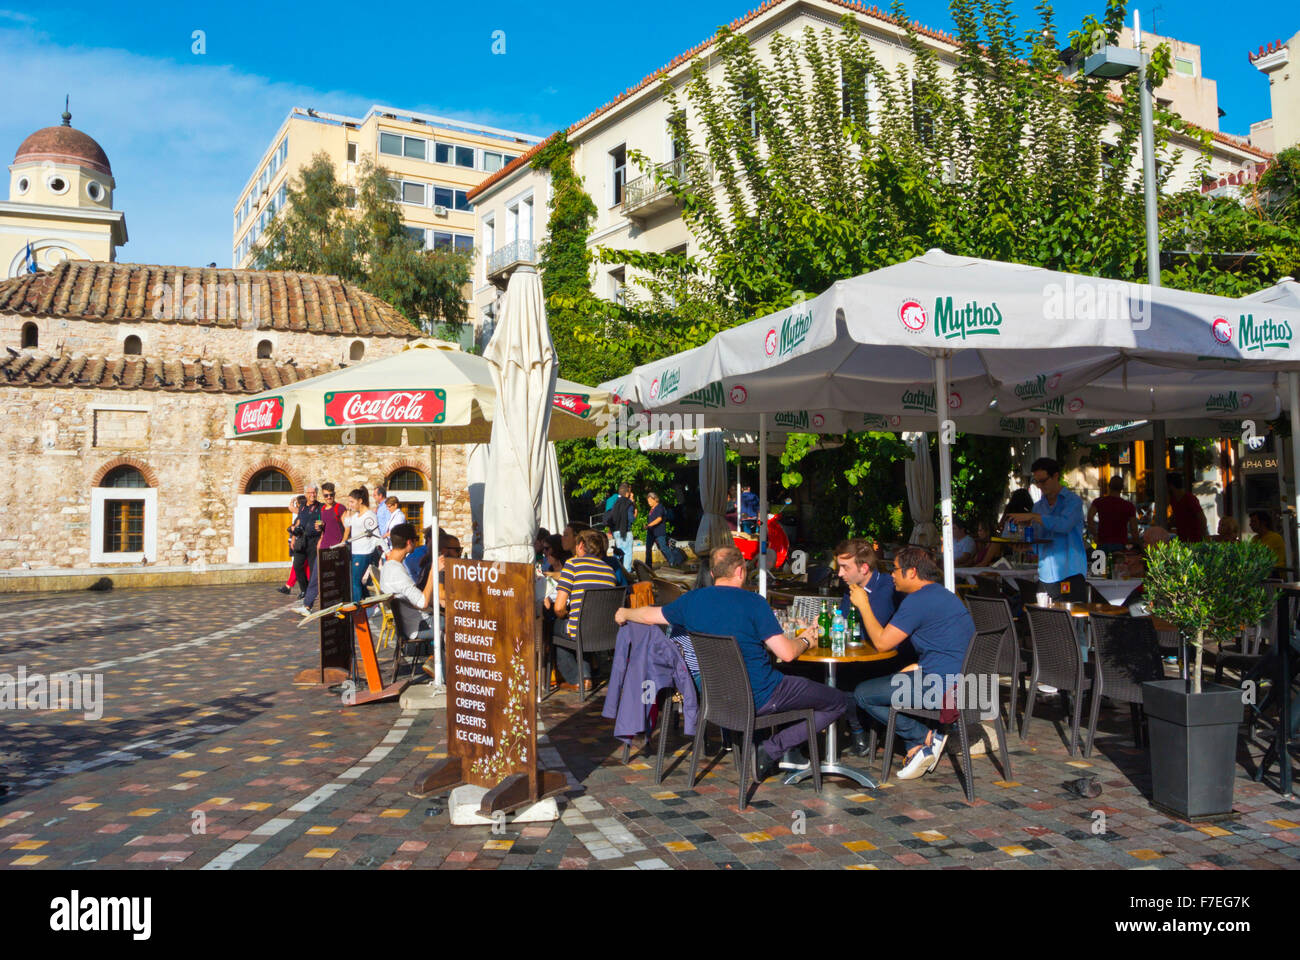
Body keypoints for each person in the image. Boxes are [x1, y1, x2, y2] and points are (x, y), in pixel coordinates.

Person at [617, 545, 848, 779]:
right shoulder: (754, 603)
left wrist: (625, 613)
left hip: (715, 697)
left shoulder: (691, 601)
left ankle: (784, 752)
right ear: (740, 571)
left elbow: (648, 615)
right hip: (762, 695)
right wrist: (806, 640)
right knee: (837, 701)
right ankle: (772, 749)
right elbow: (787, 653)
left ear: (714, 573)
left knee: (789, 681)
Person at [852, 546, 975, 780]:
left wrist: (864, 604)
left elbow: (881, 643)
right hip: (969, 685)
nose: (892, 575)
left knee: (863, 693)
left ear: (912, 572)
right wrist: (921, 666)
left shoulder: (916, 601)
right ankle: (919, 743)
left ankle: (923, 737)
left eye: (896, 569)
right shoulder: (944, 594)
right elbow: (950, 644)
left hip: (945, 690)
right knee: (895, 677)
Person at [545, 529, 620, 692]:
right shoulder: (609, 570)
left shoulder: (572, 564)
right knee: (579, 625)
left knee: (558, 626)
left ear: (580, 546)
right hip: (606, 634)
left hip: (581, 631)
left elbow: (558, 607)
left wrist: (564, 614)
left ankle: (577, 679)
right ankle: (585, 677)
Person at [1005, 457, 1087, 601]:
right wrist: (1024, 547)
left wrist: (1033, 516)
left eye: (1043, 481)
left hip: (1070, 572)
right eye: (1037, 482)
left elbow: (1064, 525)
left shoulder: (1073, 501)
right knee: (1045, 621)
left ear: (1056, 476)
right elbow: (1039, 541)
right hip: (1045, 574)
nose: (1040, 486)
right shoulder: (1038, 506)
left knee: (1070, 621)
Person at [380, 523, 443, 680]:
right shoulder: (396, 572)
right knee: (456, 625)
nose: (417, 543)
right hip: (415, 627)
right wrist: (433, 573)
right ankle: (438, 665)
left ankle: (438, 662)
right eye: (416, 539)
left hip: (409, 622)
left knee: (446, 617)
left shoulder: (389, 567)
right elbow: (422, 602)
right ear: (409, 542)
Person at [296, 481, 344, 614]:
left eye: (331, 495)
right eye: (326, 495)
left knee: (336, 579)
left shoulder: (339, 508)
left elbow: (347, 527)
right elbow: (324, 529)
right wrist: (320, 532)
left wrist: (344, 542)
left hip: (336, 548)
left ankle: (338, 606)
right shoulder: (322, 510)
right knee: (315, 577)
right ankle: (307, 606)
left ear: (334, 494)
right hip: (323, 547)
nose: (329, 497)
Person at [344, 487, 384, 605]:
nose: (350, 504)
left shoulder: (369, 515)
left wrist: (387, 551)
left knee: (355, 581)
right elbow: (348, 524)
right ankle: (367, 602)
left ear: (360, 501)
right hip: (355, 551)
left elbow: (377, 536)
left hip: (364, 552)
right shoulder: (357, 515)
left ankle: (357, 607)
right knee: (356, 580)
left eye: (352, 502)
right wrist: (349, 513)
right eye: (349, 502)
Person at [1088, 475, 1139, 553]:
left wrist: (1094, 534)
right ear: (1122, 488)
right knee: (1118, 564)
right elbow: (1134, 528)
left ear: (1109, 486)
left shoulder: (1099, 502)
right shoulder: (1128, 506)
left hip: (1102, 542)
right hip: (1120, 543)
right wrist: (1135, 542)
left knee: (1103, 564)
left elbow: (1090, 517)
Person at [1167, 473, 1207, 543]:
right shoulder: (1173, 500)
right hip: (1182, 538)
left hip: (1195, 539)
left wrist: (1203, 539)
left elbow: (1202, 519)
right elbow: (1176, 515)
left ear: (1170, 486)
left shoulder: (1190, 499)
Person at [606, 482, 636, 574]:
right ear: (627, 493)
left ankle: (616, 571)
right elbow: (631, 519)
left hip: (616, 532)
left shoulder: (615, 503)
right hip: (625, 532)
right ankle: (627, 573)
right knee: (627, 553)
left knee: (618, 552)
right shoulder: (628, 503)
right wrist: (635, 510)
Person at [645, 492, 669, 566]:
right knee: (648, 548)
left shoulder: (659, 507)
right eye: (648, 501)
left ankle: (673, 561)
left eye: (650, 501)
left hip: (659, 531)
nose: (649, 503)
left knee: (663, 548)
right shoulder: (652, 509)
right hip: (651, 532)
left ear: (655, 499)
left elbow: (659, 519)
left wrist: (649, 525)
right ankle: (648, 565)